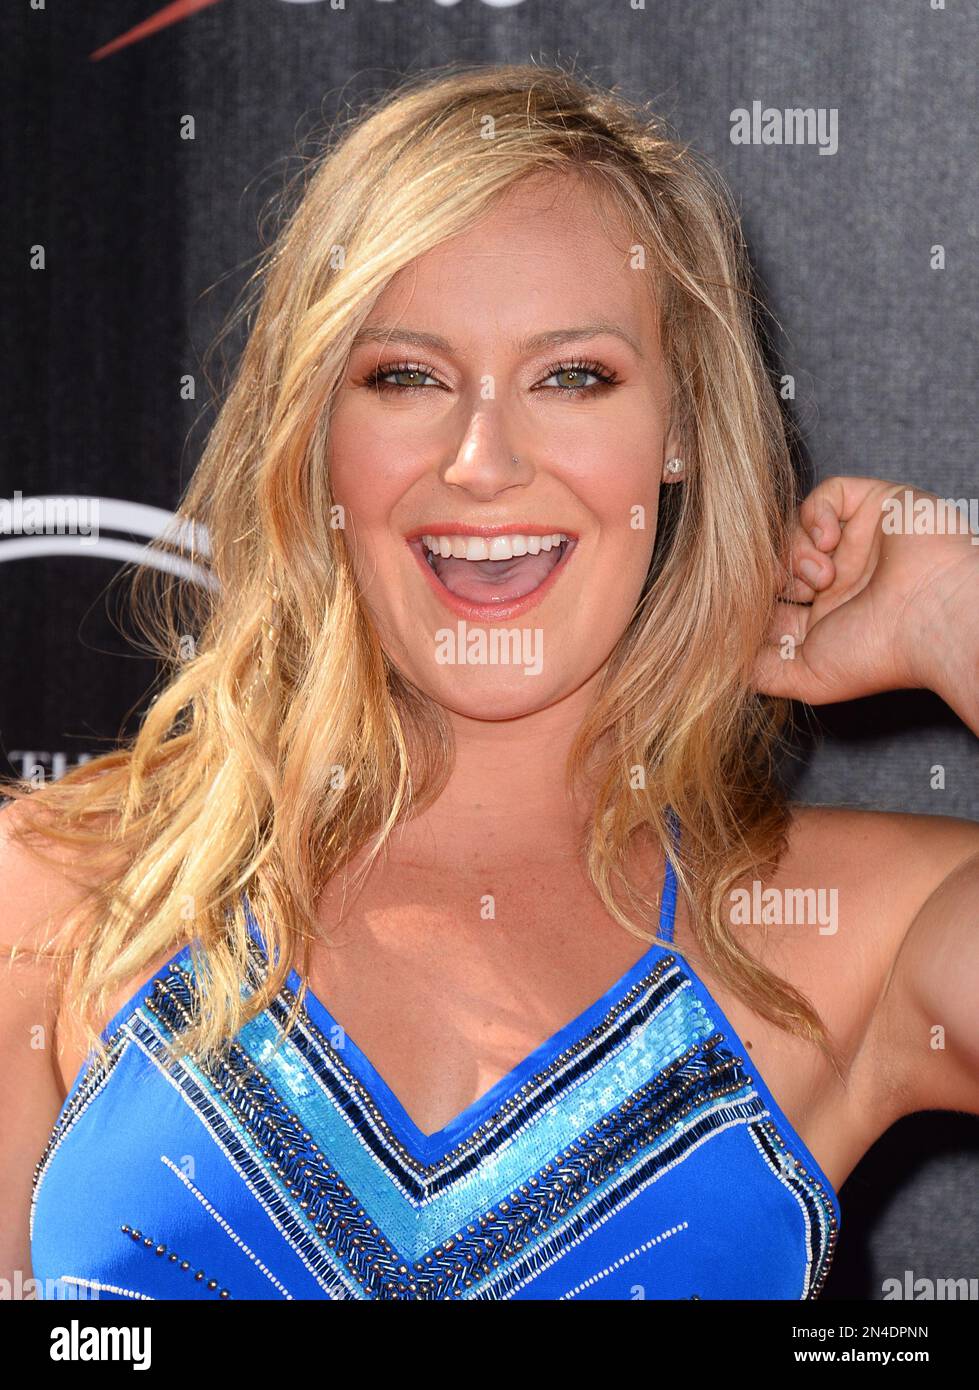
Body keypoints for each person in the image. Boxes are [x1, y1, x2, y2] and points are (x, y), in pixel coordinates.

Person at [2, 63, 977, 1302]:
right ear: (313, 428)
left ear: (679, 428)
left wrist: (959, 617)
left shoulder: (851, 934)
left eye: (572, 375)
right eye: (404, 375)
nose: (483, 461)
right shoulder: (53, 893)